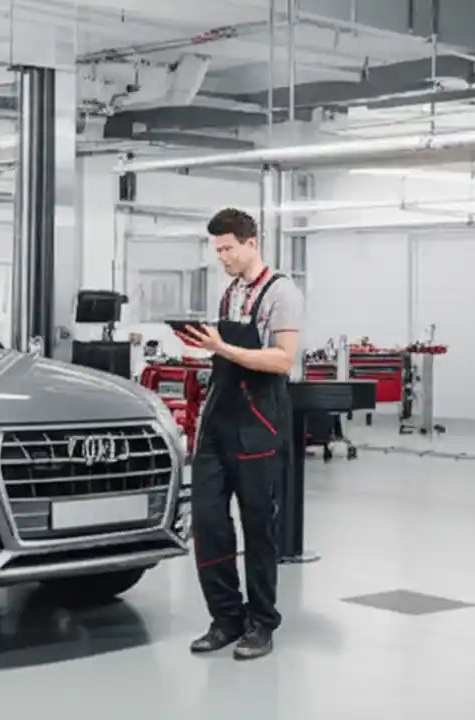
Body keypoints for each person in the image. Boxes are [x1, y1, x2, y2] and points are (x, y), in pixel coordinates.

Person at [175, 207, 304, 661]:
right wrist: (207, 352)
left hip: (258, 422)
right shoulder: (230, 293)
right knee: (208, 523)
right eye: (217, 250)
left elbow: (282, 359)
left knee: (257, 527)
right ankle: (225, 618)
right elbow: (228, 355)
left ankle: (261, 623)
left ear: (251, 243)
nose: (222, 257)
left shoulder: (281, 292)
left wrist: (222, 347)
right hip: (218, 422)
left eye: (228, 248)